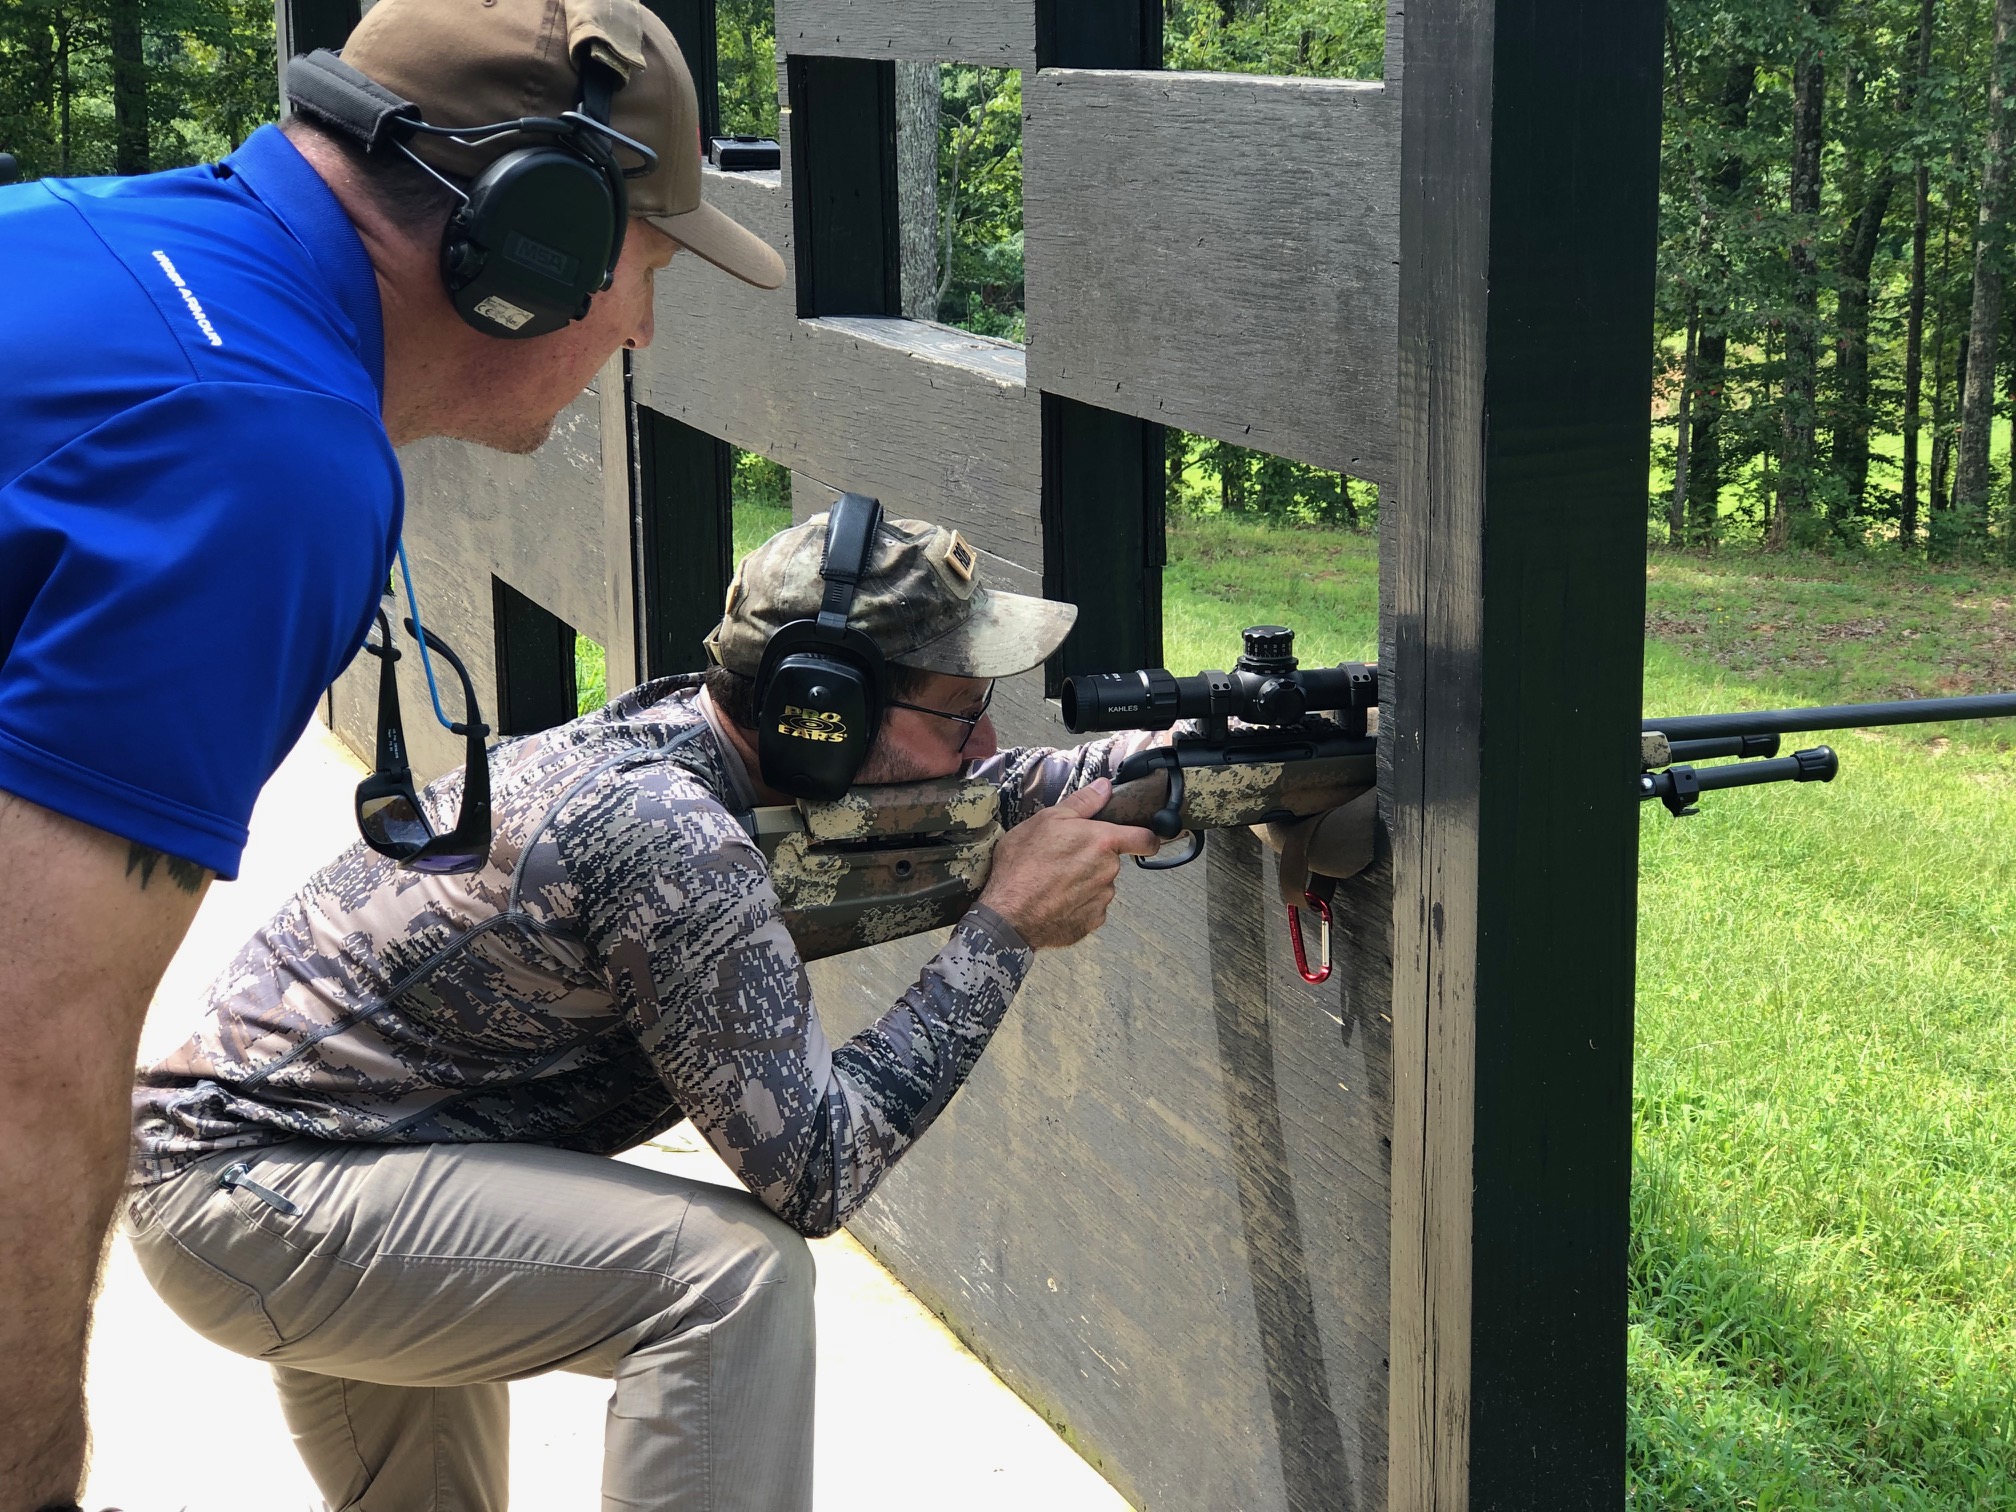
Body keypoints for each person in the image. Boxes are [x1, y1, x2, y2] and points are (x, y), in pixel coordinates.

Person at [0, 0, 784, 1503]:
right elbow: (30, 1049)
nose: (640, 331)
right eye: (646, 269)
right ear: (532, 238)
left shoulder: (101, 243)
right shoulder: (257, 447)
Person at [125, 511, 1162, 1512]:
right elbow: (818, 1169)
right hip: (258, 1194)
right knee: (729, 1284)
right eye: (961, 704)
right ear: (823, 711)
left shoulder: (696, 744)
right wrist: (1003, 931)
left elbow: (972, 794)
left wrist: (1193, 767)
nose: (988, 732)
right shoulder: (668, 831)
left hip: (333, 1156)